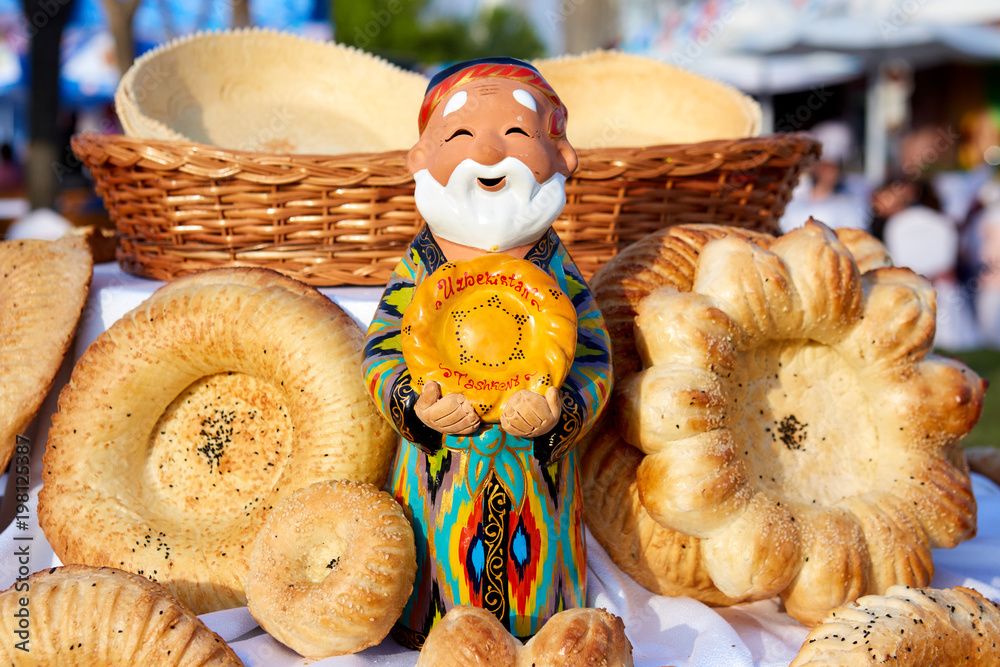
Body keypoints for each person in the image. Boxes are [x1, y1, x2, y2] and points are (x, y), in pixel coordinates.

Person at [362, 58, 612, 648]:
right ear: (420, 157)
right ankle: (432, 627)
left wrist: (562, 414)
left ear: (562, 157)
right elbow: (380, 350)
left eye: (517, 132)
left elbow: (596, 359)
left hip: (536, 483)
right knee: (437, 580)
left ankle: (542, 629)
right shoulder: (421, 268)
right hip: (439, 480)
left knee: (542, 592)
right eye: (461, 135)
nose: (489, 153)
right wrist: (414, 405)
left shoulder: (555, 270)